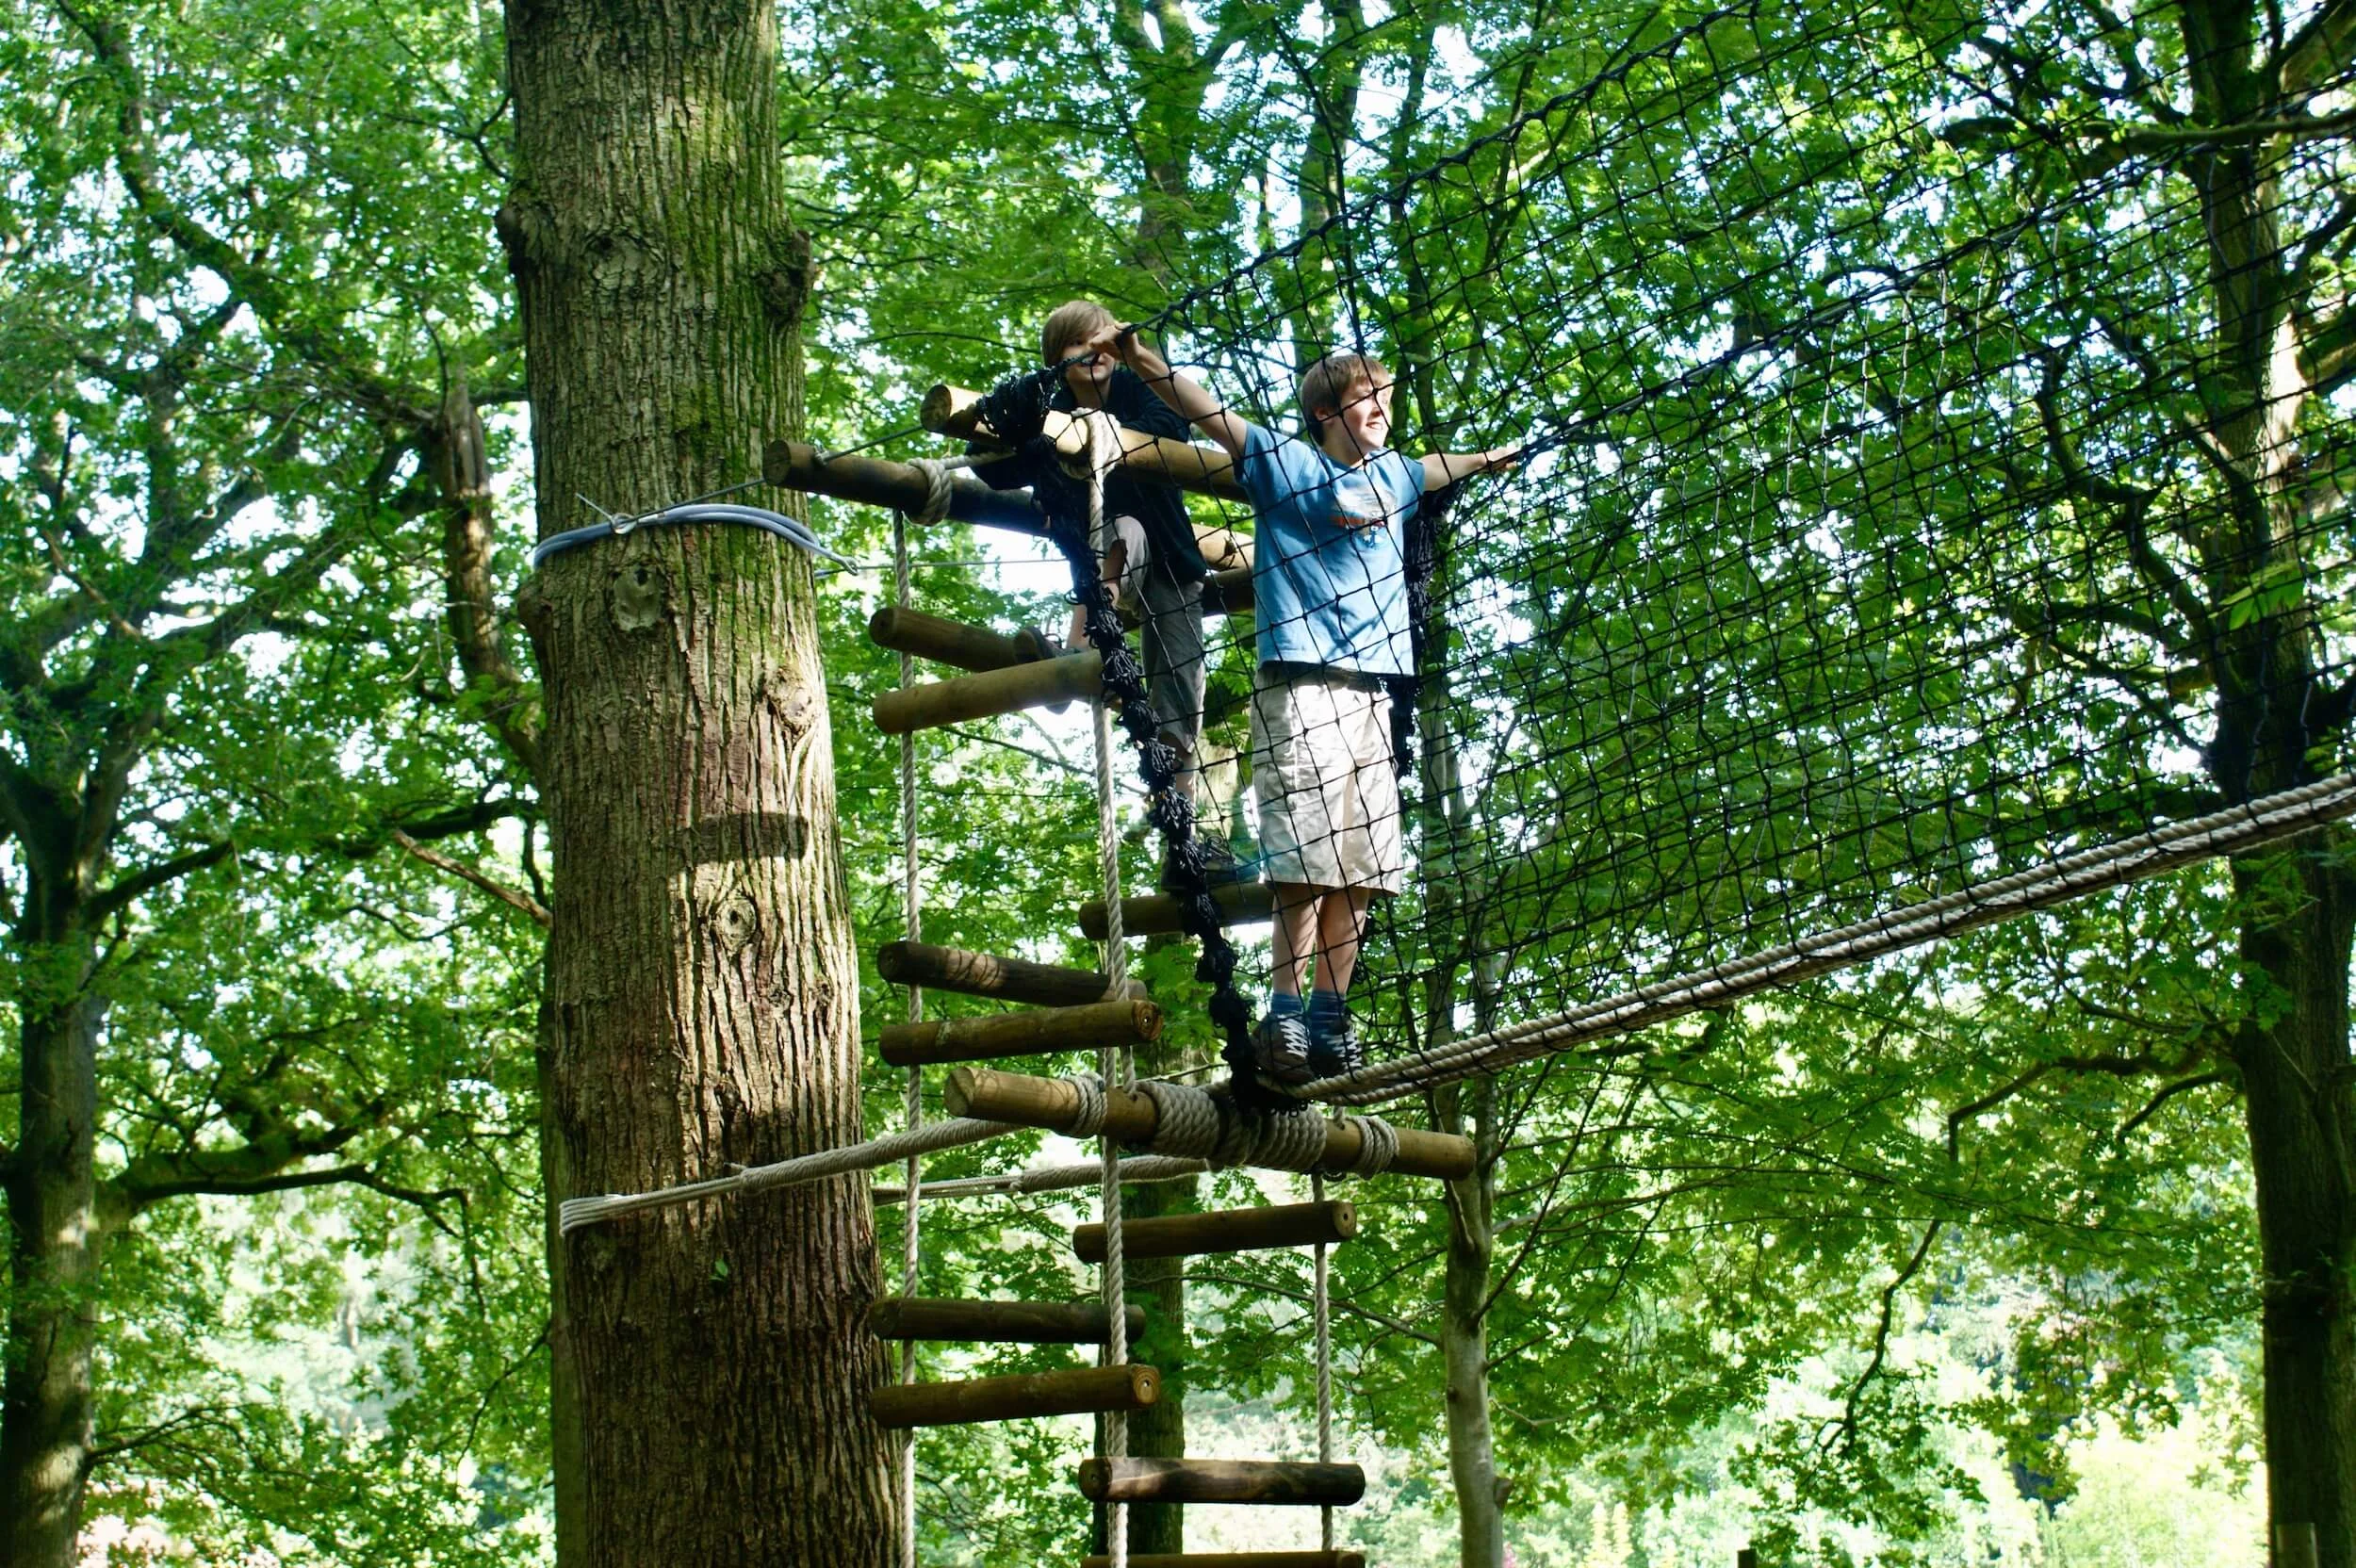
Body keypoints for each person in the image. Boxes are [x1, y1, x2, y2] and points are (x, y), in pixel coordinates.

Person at [1104, 324, 1518, 1082]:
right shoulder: (1285, 464)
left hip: (1372, 696)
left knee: (1365, 864)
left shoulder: (1393, 477)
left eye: (1387, 400)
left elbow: (1430, 469)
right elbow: (1209, 416)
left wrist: (1485, 459)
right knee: (1305, 856)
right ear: (1329, 411)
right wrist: (1144, 364)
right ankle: (1285, 1015)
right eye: (1368, 399)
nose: (1381, 411)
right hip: (1302, 682)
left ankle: (1330, 1015)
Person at [971, 300, 1244, 888]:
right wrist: (1008, 417)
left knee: (1182, 693)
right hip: (1109, 555)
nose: (1096, 354)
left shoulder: (1132, 391)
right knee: (1126, 530)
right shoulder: (1052, 406)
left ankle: (1181, 833)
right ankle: (1078, 652)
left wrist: (1118, 410)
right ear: (1055, 361)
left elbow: (1172, 428)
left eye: (1105, 343)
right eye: (1079, 346)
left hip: (1173, 564)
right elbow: (993, 468)